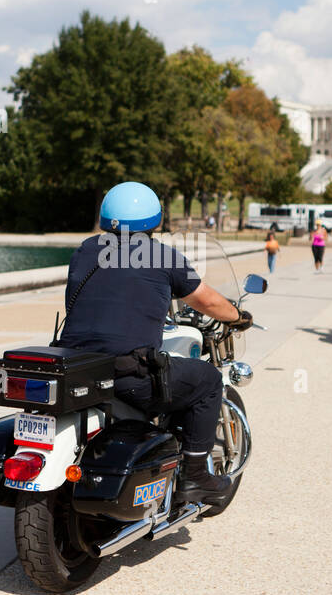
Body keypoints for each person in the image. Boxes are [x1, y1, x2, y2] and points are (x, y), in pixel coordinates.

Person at [58, 182, 251, 504]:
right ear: (154, 220)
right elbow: (207, 301)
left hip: (79, 368)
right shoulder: (161, 255)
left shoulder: (85, 251)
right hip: (128, 378)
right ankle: (194, 476)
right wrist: (237, 317)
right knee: (206, 380)